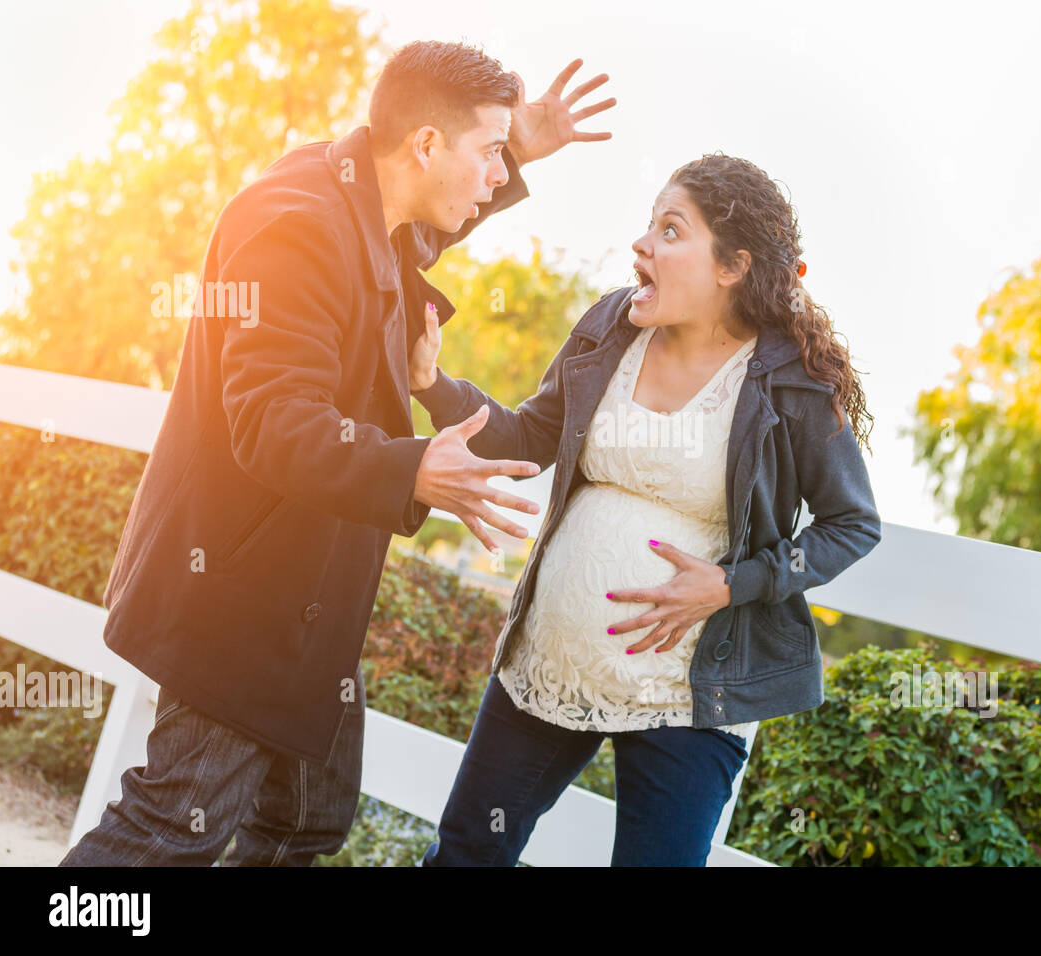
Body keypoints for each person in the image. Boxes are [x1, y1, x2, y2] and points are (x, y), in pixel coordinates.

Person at [60, 40, 616, 866]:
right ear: (426, 145)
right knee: (165, 832)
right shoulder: (297, 225)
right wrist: (415, 467)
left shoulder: (369, 205)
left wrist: (519, 146)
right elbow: (276, 422)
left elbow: (422, 239)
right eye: (489, 153)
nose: (498, 174)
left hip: (306, 604)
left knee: (304, 824)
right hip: (242, 601)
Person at [410, 152, 883, 866]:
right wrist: (432, 383)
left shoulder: (789, 380)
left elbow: (853, 526)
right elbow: (530, 435)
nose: (642, 245)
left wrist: (731, 584)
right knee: (467, 852)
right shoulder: (611, 326)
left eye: (670, 230)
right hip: (551, 664)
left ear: (732, 267)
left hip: (688, 701)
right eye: (648, 225)